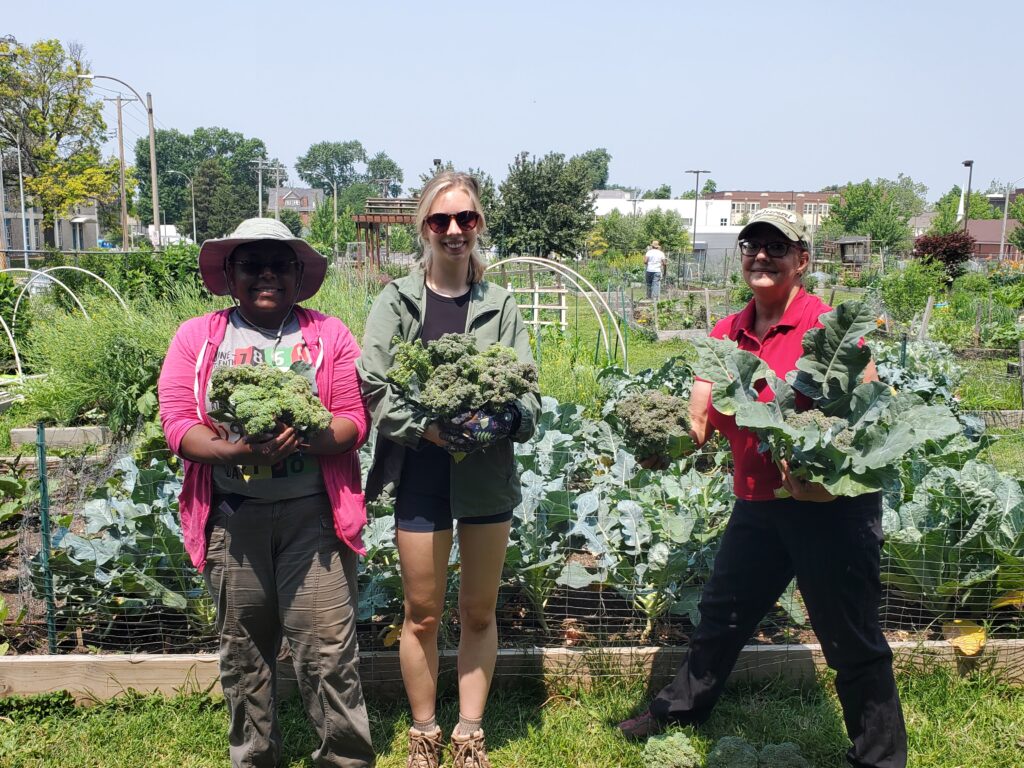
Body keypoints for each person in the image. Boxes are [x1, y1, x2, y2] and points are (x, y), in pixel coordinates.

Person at [619, 208, 907, 768]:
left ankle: (879, 758)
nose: (762, 255)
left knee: (850, 639)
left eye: (777, 246)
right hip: (759, 502)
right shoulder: (726, 334)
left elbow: (870, 420)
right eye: (752, 244)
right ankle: (679, 710)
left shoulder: (829, 326)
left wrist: (830, 485)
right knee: (722, 615)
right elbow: (698, 420)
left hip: (832, 510)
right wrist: (667, 443)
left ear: (802, 260)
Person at [158, 218, 375, 768]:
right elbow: (178, 423)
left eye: (280, 265)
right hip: (234, 519)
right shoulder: (199, 337)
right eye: (252, 264)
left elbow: (354, 420)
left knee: (327, 655)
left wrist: (306, 435)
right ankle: (254, 758)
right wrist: (232, 452)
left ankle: (345, 760)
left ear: (299, 275)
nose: (267, 275)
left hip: (315, 518)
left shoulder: (329, 334)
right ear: (231, 274)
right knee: (243, 655)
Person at [357, 171, 540, 768]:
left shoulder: (500, 304)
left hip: (485, 475)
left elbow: (529, 393)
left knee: (479, 612)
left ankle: (469, 733)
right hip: (422, 475)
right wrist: (430, 429)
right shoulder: (396, 300)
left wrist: (501, 420)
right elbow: (372, 384)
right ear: (425, 228)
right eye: (442, 220)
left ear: (479, 225)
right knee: (423, 613)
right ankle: (424, 733)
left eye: (466, 218)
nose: (455, 230)